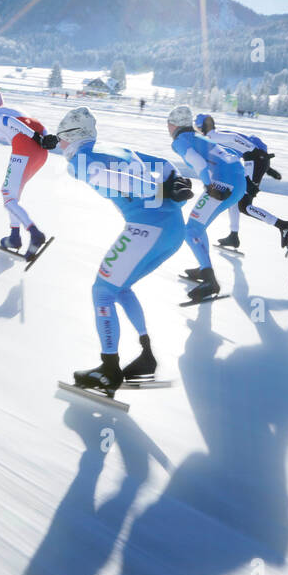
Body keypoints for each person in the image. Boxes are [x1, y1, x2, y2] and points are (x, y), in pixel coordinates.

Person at [55, 106, 193, 395]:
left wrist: (161, 192)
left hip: (147, 227)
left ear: (72, 135)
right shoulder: (111, 147)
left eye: (60, 139)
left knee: (102, 291)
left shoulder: (79, 161)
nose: (59, 145)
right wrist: (176, 182)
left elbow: (121, 181)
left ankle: (108, 370)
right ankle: (145, 356)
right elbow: (162, 163)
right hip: (171, 228)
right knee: (121, 288)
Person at [167, 105, 246, 304]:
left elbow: (198, 162)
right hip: (237, 182)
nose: (167, 128)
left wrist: (210, 185)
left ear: (175, 125)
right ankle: (204, 269)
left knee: (191, 230)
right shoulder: (200, 138)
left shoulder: (181, 140)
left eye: (168, 124)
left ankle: (210, 280)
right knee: (197, 227)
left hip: (221, 184)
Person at [194, 113, 288, 252]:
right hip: (255, 160)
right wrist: (265, 166)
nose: (197, 130)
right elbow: (238, 150)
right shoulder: (216, 135)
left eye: (197, 127)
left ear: (202, 127)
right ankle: (233, 235)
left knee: (245, 206)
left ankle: (284, 226)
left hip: (255, 159)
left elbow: (236, 140)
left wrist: (252, 172)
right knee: (235, 199)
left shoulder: (212, 136)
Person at [0, 88, 57, 258]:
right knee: (13, 196)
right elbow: (39, 125)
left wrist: (36, 138)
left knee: (8, 196)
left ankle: (35, 233)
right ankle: (14, 237)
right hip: (41, 154)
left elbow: (8, 121)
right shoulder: (15, 109)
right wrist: (46, 138)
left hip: (25, 149)